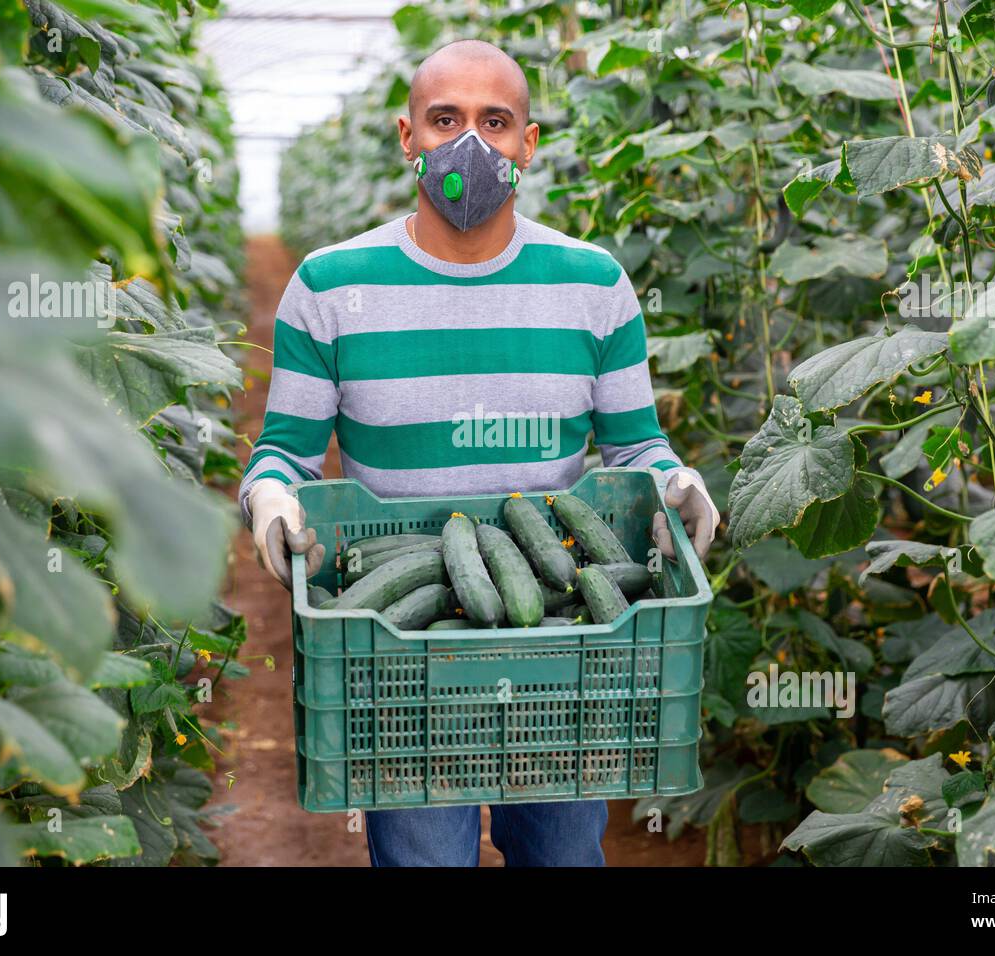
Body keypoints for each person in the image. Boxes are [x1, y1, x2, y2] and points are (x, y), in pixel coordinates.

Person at [239, 38, 722, 867]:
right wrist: (271, 500)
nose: (469, 143)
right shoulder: (329, 286)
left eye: (494, 121)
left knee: (565, 854)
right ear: (407, 138)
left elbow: (635, 444)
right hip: (405, 650)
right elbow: (281, 453)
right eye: (444, 119)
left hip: (561, 650)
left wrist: (673, 481)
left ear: (527, 144)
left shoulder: (593, 283)